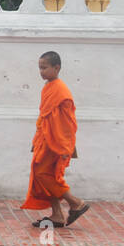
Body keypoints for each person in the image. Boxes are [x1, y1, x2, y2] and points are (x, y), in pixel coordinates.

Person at [21, 51, 90, 228]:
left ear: (56, 68)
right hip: (46, 140)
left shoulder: (61, 91)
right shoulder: (48, 87)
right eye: (40, 68)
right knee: (43, 174)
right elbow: (45, 117)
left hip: (57, 142)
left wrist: (64, 147)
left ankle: (76, 203)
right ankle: (57, 215)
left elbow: (66, 123)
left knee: (44, 175)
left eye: (44, 68)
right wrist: (38, 139)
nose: (41, 72)